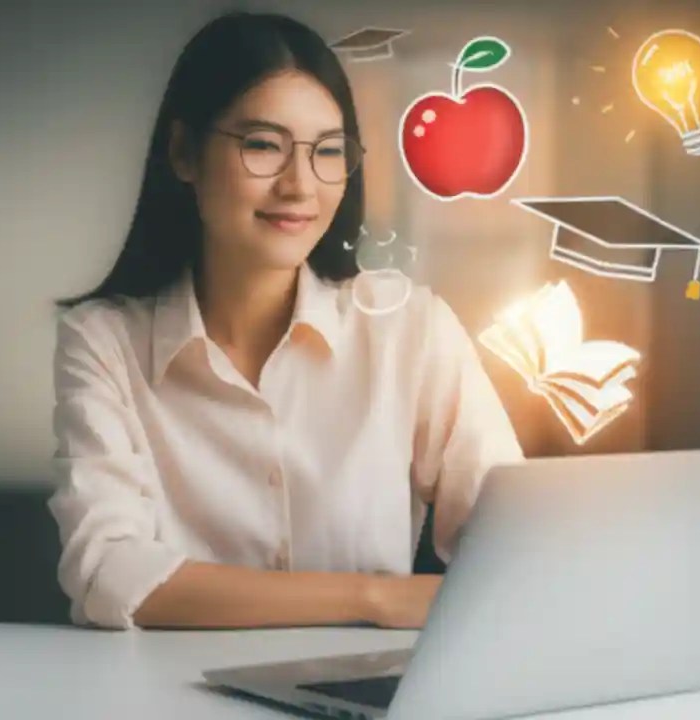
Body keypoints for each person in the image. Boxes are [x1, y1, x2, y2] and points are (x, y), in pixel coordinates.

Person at [48, 11, 523, 631]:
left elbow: (513, 546)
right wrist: (373, 598)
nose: (300, 185)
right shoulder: (104, 340)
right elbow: (108, 575)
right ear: (184, 152)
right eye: (263, 145)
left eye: (328, 151)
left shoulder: (410, 329)